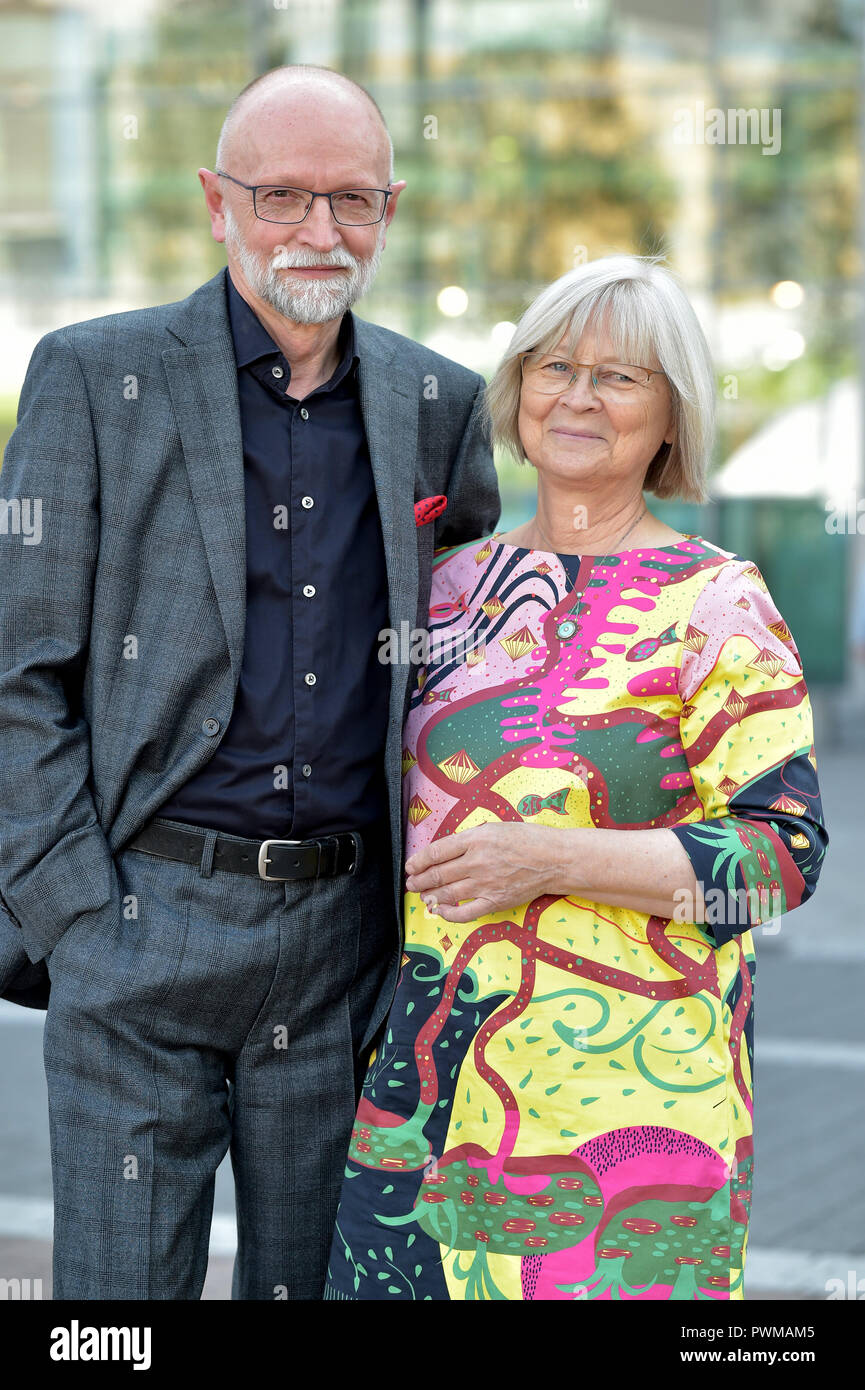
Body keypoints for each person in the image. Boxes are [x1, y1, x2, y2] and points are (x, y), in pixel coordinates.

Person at [0, 64, 500, 1299]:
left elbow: (468, 673)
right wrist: (76, 917)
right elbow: (19, 673)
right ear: (216, 203)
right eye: (282, 197)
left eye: (350, 200)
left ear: (389, 209)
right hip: (140, 924)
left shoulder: (439, 403)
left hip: (342, 952)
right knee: (111, 1317)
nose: (318, 232)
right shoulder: (90, 377)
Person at [324, 254, 829, 1301]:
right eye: (555, 366)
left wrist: (546, 857)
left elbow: (781, 857)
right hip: (431, 1100)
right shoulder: (451, 590)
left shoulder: (715, 602)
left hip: (633, 1126)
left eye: (621, 377)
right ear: (516, 391)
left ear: (672, 419)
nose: (579, 395)